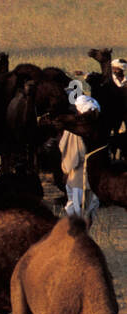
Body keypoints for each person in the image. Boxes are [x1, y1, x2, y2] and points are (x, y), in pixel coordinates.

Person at [60, 95, 100, 223]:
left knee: (83, 204)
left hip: (84, 172)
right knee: (79, 204)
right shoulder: (74, 129)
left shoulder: (80, 128)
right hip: (79, 172)